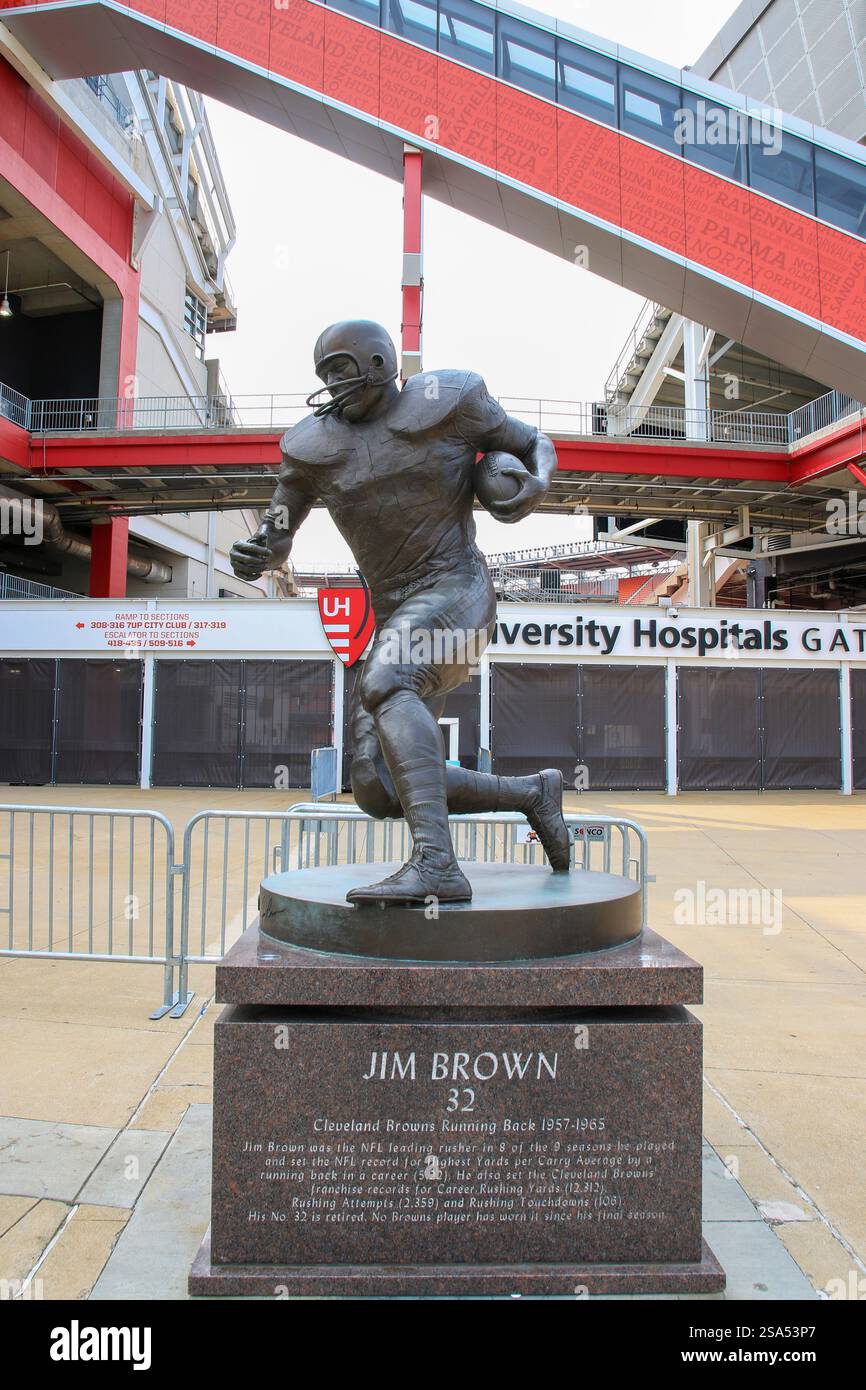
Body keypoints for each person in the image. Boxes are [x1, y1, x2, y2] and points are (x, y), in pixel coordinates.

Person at [231, 320, 571, 905]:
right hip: (396, 611)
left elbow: (532, 441)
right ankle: (531, 794)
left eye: (342, 369)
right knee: (377, 785)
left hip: (456, 587)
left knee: (387, 678)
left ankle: (437, 864)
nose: (333, 385)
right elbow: (281, 526)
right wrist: (260, 548)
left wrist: (537, 482)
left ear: (381, 362)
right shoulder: (311, 447)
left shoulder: (451, 403)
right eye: (324, 375)